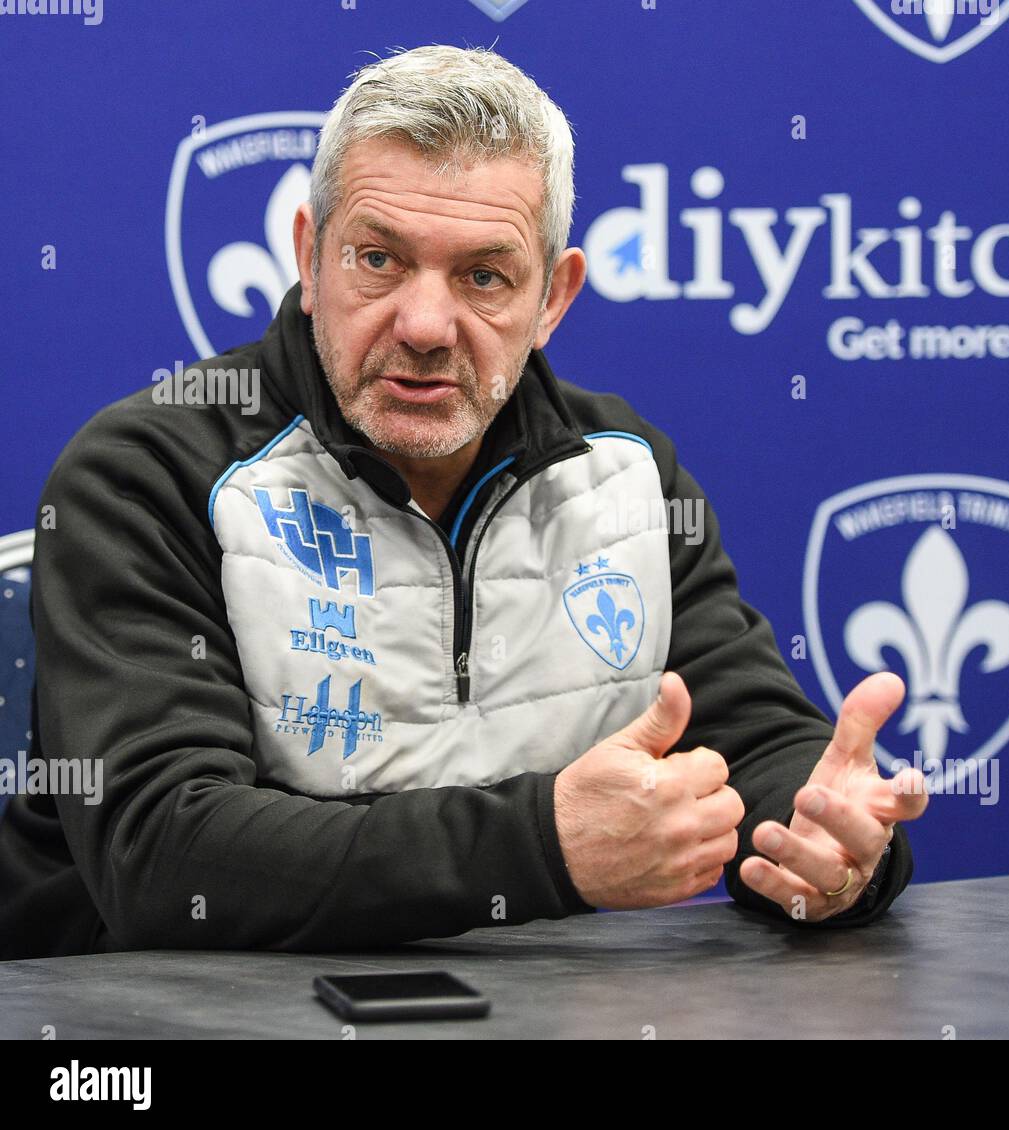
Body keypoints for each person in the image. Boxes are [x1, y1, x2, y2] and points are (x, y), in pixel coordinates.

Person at [0, 45, 926, 959]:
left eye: (484, 275)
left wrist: (831, 847)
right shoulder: (145, 472)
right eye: (378, 259)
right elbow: (166, 856)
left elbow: (755, 744)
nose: (425, 326)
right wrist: (546, 846)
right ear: (308, 257)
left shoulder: (623, 474)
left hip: (521, 1019)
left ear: (552, 298)